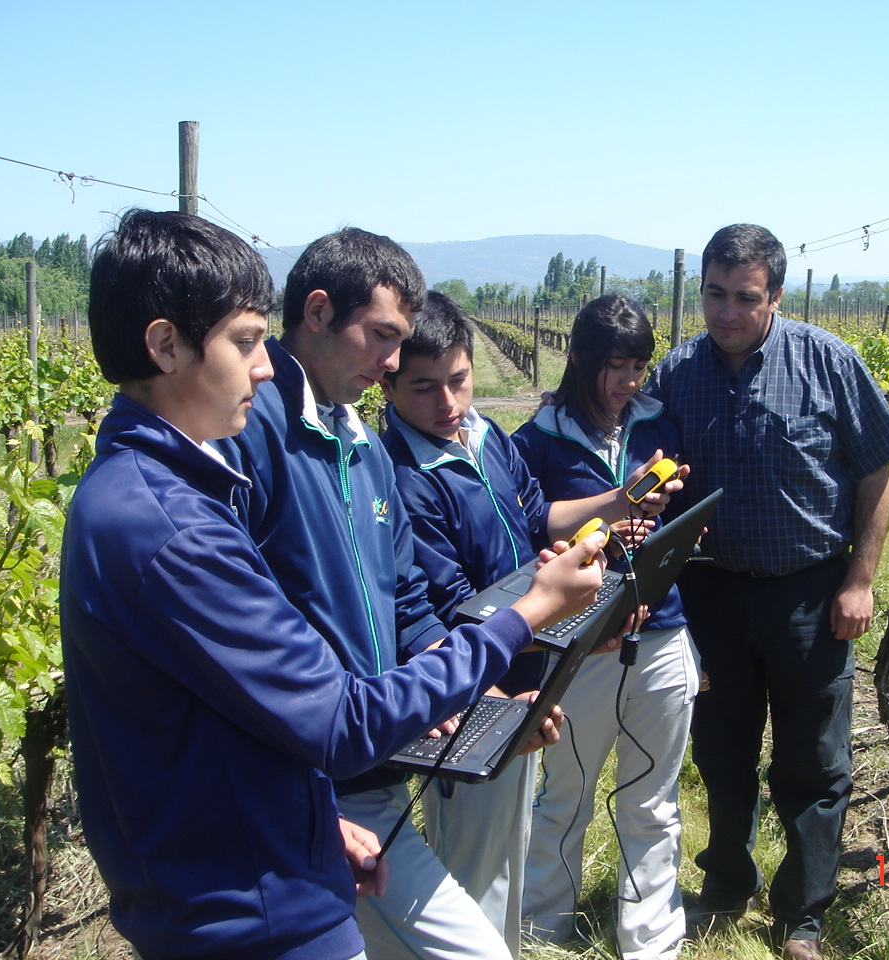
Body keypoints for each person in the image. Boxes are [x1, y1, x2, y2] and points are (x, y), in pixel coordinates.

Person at [63, 213, 606, 960]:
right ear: (166, 345)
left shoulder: (321, 456)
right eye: (248, 341)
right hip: (251, 897)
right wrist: (528, 613)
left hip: (293, 834)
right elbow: (332, 717)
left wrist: (315, 816)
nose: (265, 367)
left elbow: (252, 682)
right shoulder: (177, 516)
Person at [379, 291, 680, 956]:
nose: (448, 402)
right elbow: (445, 600)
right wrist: (551, 605)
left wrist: (618, 502)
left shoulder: (482, 437)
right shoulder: (402, 476)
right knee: (471, 866)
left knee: (509, 848)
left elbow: (537, 514)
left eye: (459, 380)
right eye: (424, 388)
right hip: (473, 691)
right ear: (388, 381)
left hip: (521, 676)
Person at [644, 223, 889, 960]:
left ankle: (802, 915)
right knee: (722, 754)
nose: (726, 312)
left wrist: (859, 579)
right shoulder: (677, 372)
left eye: (745, 298)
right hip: (712, 597)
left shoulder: (828, 362)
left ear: (776, 296)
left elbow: (877, 470)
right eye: (714, 295)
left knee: (813, 763)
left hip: (809, 594)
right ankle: (726, 885)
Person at [511, 293, 700, 960]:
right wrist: (615, 511)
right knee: (565, 797)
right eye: (615, 366)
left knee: (652, 801)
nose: (627, 382)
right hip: (581, 644)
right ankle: (542, 930)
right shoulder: (536, 440)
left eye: (638, 367)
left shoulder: (659, 426)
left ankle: (651, 942)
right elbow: (531, 523)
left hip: (662, 631)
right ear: (584, 362)